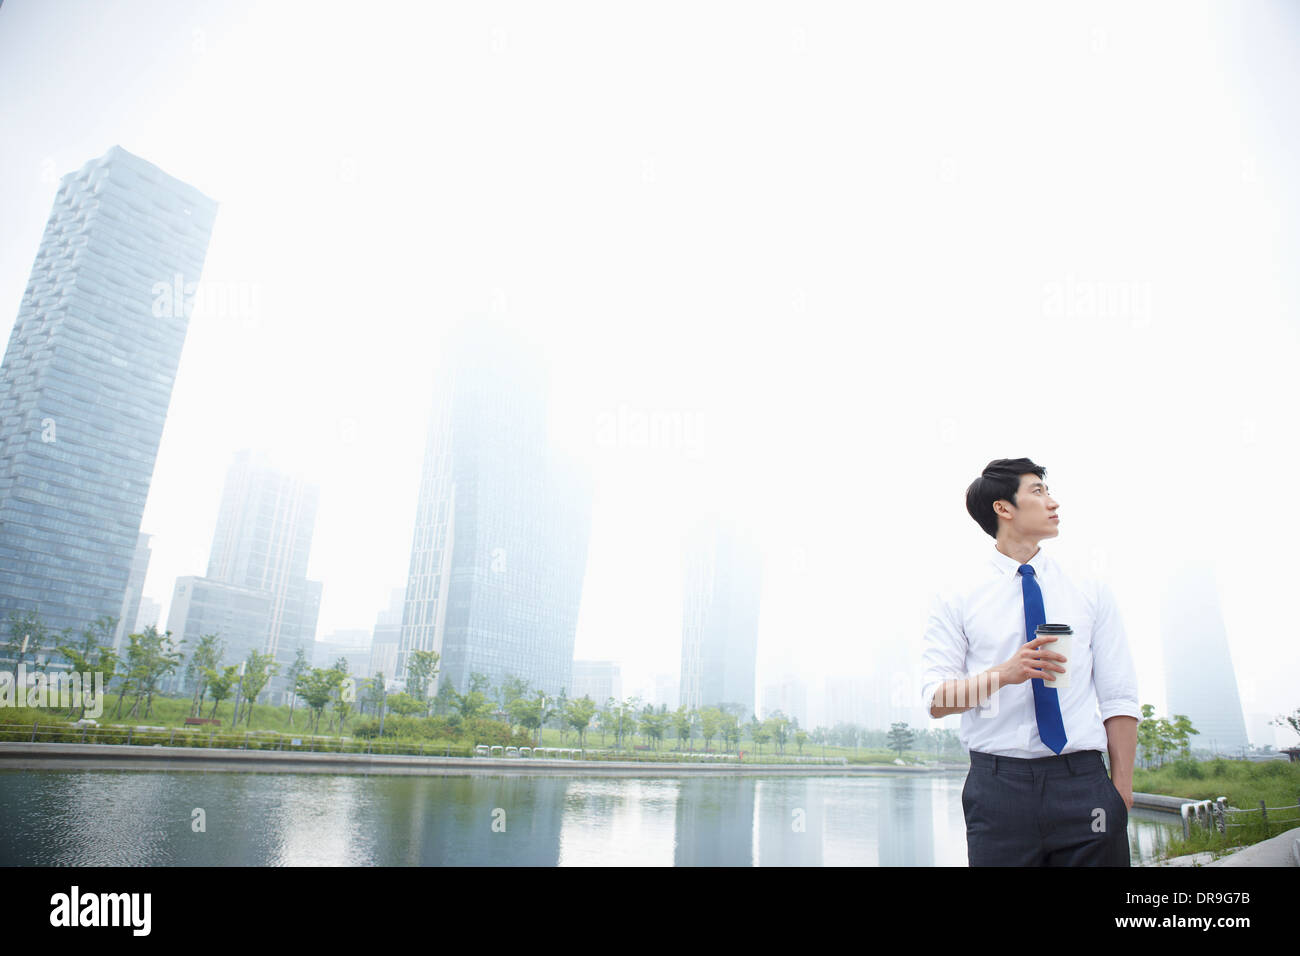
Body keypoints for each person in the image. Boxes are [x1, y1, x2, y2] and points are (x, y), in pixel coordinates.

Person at [920, 457, 1140, 866]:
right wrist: (1006, 674)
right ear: (1003, 508)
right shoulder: (957, 596)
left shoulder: (1089, 589)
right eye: (1038, 491)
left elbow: (1119, 696)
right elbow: (937, 701)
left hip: (1084, 785)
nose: (1053, 502)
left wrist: (1120, 791)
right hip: (998, 790)